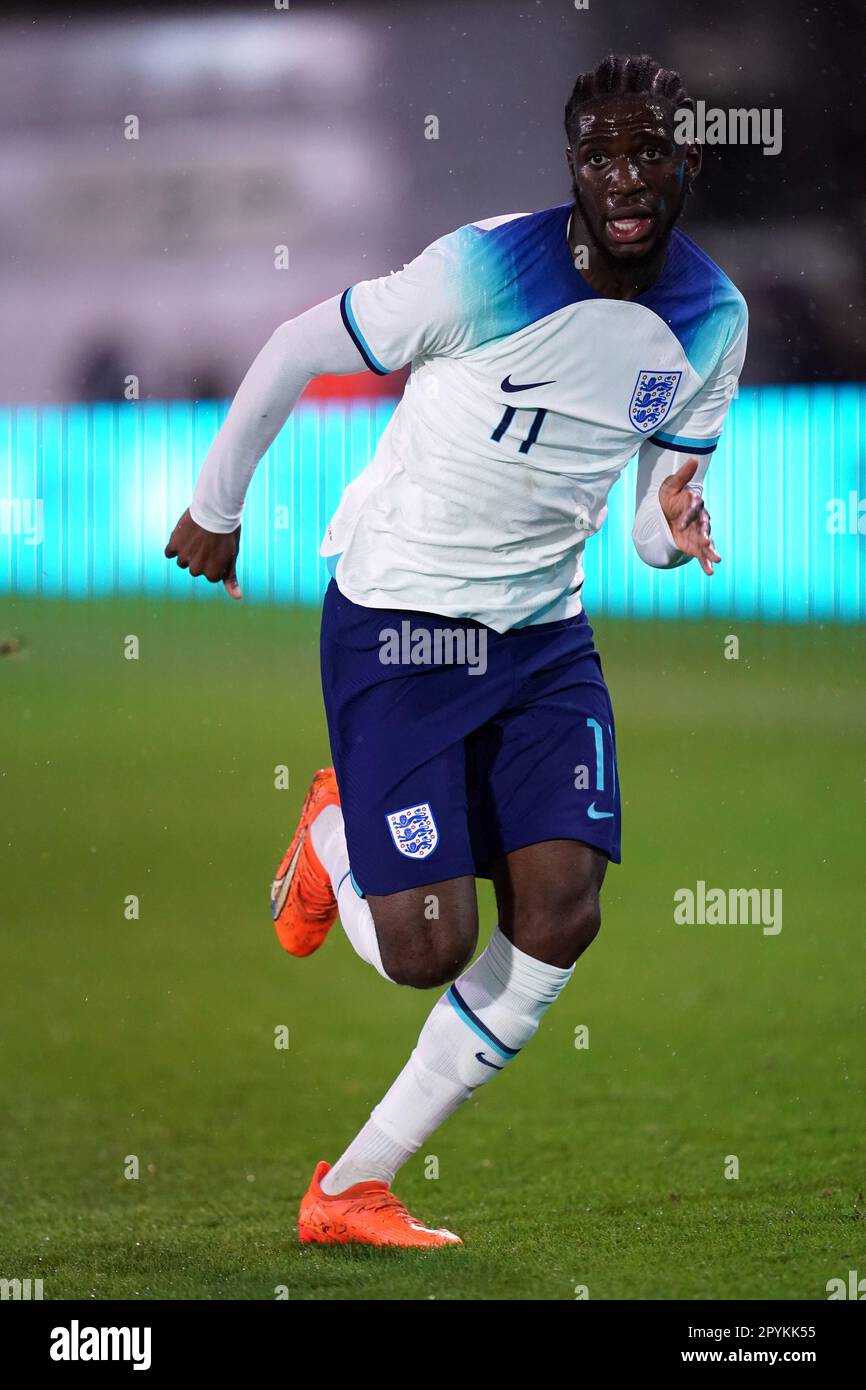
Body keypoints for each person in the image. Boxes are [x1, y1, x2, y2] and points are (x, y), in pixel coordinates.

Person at [166, 52, 748, 1248]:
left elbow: (644, 512)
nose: (625, 177)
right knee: (428, 948)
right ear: (572, 168)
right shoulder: (481, 266)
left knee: (562, 909)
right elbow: (294, 346)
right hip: (398, 619)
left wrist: (669, 522)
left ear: (686, 160)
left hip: (541, 633)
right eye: (600, 156)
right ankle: (335, 828)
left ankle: (349, 1190)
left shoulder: (713, 317)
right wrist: (217, 508)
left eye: (648, 153)